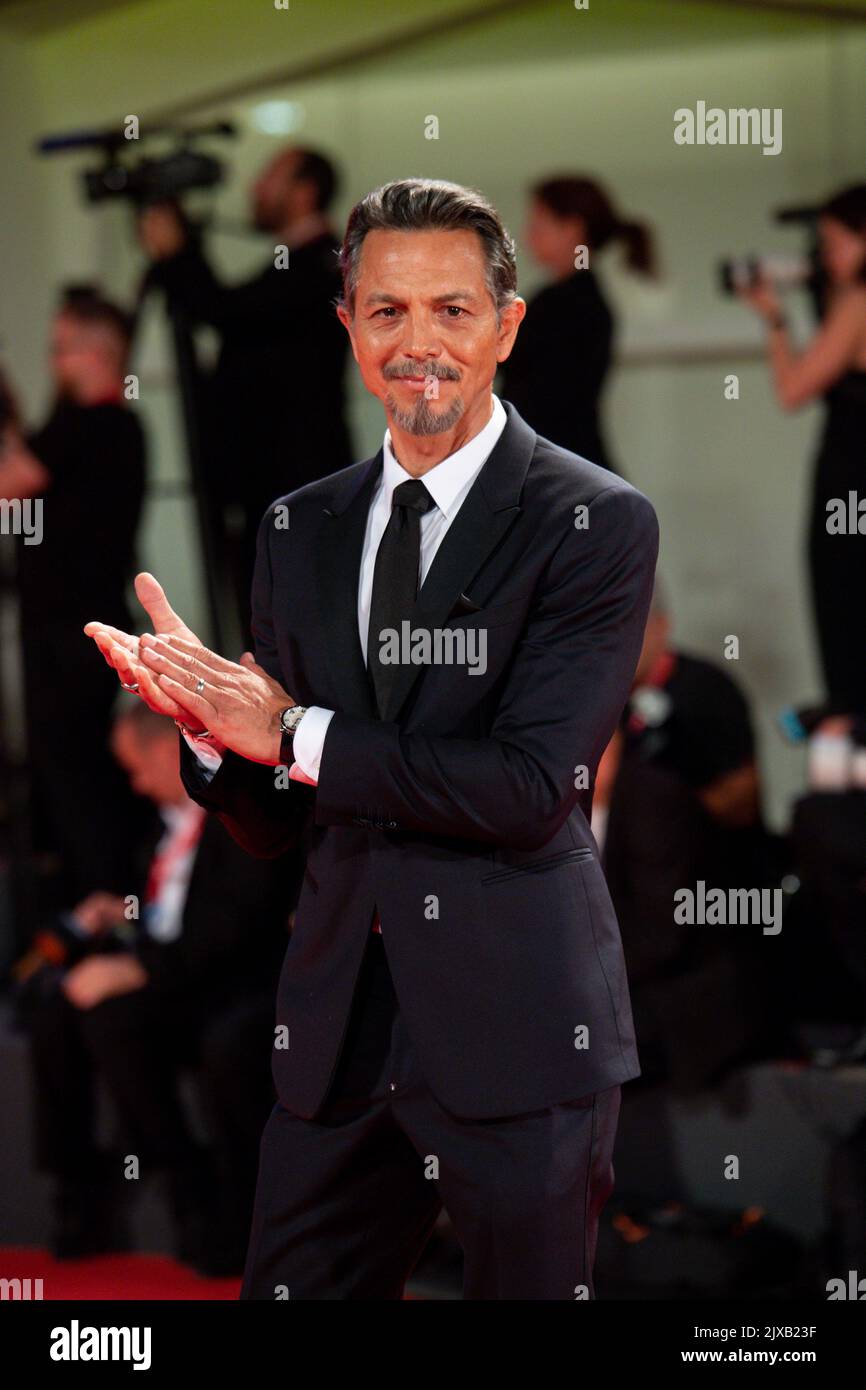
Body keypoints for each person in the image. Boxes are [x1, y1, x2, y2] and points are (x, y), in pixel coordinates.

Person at [86, 177, 659, 1301]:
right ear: (347, 325)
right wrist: (216, 740)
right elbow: (283, 813)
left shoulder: (591, 521)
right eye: (386, 311)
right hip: (336, 1034)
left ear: (506, 324)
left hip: (520, 1032)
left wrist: (289, 727)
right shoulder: (298, 527)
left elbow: (529, 786)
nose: (419, 343)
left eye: (451, 309)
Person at [22, 701, 295, 1272]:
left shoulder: (237, 818)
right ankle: (106, 1187)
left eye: (135, 766)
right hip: (178, 979)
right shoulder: (156, 834)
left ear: (160, 752)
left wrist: (141, 969)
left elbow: (242, 923)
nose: (135, 783)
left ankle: (217, 1199)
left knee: (149, 1025)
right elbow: (162, 915)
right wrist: (120, 921)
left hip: (234, 984)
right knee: (69, 1010)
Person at [138, 147, 354, 635]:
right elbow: (229, 313)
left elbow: (226, 312)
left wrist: (178, 253)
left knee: (296, 635)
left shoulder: (318, 267)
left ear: (304, 190)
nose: (256, 189)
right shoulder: (302, 266)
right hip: (276, 488)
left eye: (271, 177)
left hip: (296, 487)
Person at [596, 585, 781, 1095]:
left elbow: (742, 805)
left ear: (660, 627)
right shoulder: (595, 703)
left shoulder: (702, 692)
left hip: (703, 918)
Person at [3, 287, 148, 899]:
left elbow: (12, 484)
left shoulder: (98, 423)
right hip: (67, 628)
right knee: (62, 771)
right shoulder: (93, 426)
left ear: (99, 351)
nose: (54, 361)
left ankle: (103, 905)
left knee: (74, 773)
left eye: (64, 347)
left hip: (74, 634)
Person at [737, 184, 866, 719]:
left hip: (852, 474)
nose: (827, 257)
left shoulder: (859, 300)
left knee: (845, 603)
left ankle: (850, 722)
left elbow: (793, 389)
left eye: (836, 244)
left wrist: (773, 317)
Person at [500, 176, 655, 474]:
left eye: (537, 225)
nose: (528, 236)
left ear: (571, 228)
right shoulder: (574, 300)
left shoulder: (565, 304)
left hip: (562, 472)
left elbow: (545, 401)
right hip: (571, 466)